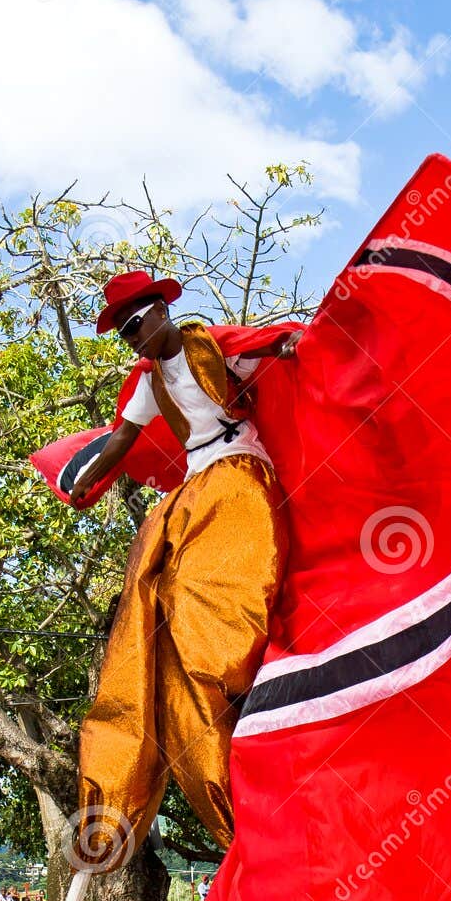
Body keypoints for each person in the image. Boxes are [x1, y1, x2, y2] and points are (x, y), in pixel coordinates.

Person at [71, 273, 299, 867]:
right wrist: (87, 473)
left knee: (211, 603)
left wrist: (288, 346)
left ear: (159, 313)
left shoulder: (211, 346)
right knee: (152, 597)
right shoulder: (148, 381)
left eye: (133, 326)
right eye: (121, 334)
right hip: (194, 489)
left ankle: (237, 671)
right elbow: (122, 437)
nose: (130, 340)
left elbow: (266, 347)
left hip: (241, 480)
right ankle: (180, 757)